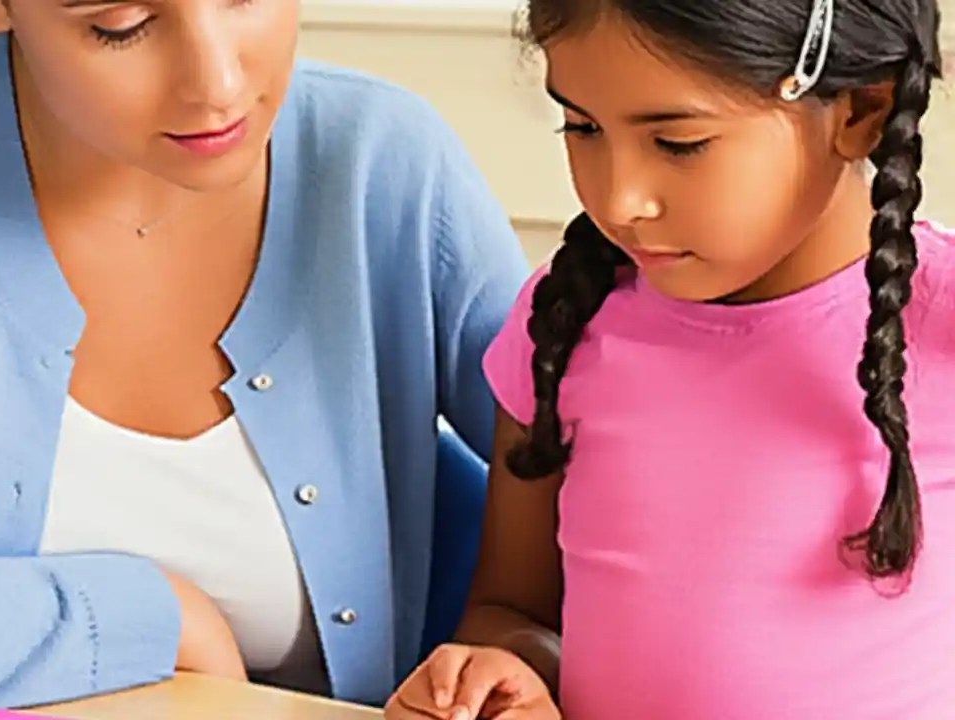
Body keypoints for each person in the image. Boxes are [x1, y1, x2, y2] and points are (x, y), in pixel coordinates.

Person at [0, 0, 531, 717]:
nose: (218, 82)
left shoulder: (386, 166)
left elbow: (610, 486)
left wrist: (519, 652)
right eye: (121, 24)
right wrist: (150, 617)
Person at [387, 0, 954, 718]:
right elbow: (511, 611)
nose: (620, 200)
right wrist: (503, 673)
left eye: (679, 142)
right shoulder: (562, 325)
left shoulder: (942, 329)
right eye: (583, 126)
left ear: (859, 110)